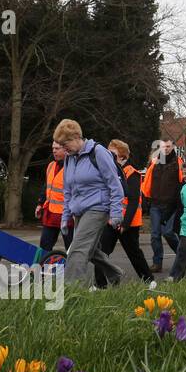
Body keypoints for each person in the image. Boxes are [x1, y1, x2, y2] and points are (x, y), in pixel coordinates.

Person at [55, 119, 124, 288]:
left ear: (76, 137)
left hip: (98, 209)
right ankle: (115, 273)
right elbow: (68, 190)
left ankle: (71, 292)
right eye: (61, 145)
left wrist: (116, 213)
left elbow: (115, 185)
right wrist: (65, 217)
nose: (64, 149)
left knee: (78, 249)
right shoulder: (70, 158)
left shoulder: (98, 152)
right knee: (90, 249)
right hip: (79, 210)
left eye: (65, 144)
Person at [95, 140, 157, 289]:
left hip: (128, 223)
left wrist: (125, 223)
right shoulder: (108, 171)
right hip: (111, 220)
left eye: (113, 154)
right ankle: (100, 285)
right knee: (101, 253)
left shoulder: (132, 174)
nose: (108, 157)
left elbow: (134, 201)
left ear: (122, 157)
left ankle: (149, 280)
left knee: (134, 253)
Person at [141, 140, 186, 275]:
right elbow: (147, 181)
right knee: (155, 235)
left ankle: (182, 258)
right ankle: (157, 263)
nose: (166, 149)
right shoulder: (155, 162)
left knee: (168, 232)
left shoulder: (178, 163)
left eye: (168, 146)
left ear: (173, 147)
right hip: (155, 204)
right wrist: (146, 199)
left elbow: (185, 181)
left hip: (172, 205)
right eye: (163, 146)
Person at [34, 141, 72, 256]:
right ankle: (43, 271)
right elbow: (46, 186)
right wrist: (40, 203)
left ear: (66, 149)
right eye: (53, 148)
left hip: (68, 216)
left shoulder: (73, 167)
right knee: (44, 245)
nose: (54, 151)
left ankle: (74, 273)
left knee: (71, 248)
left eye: (57, 148)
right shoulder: (51, 165)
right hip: (50, 214)